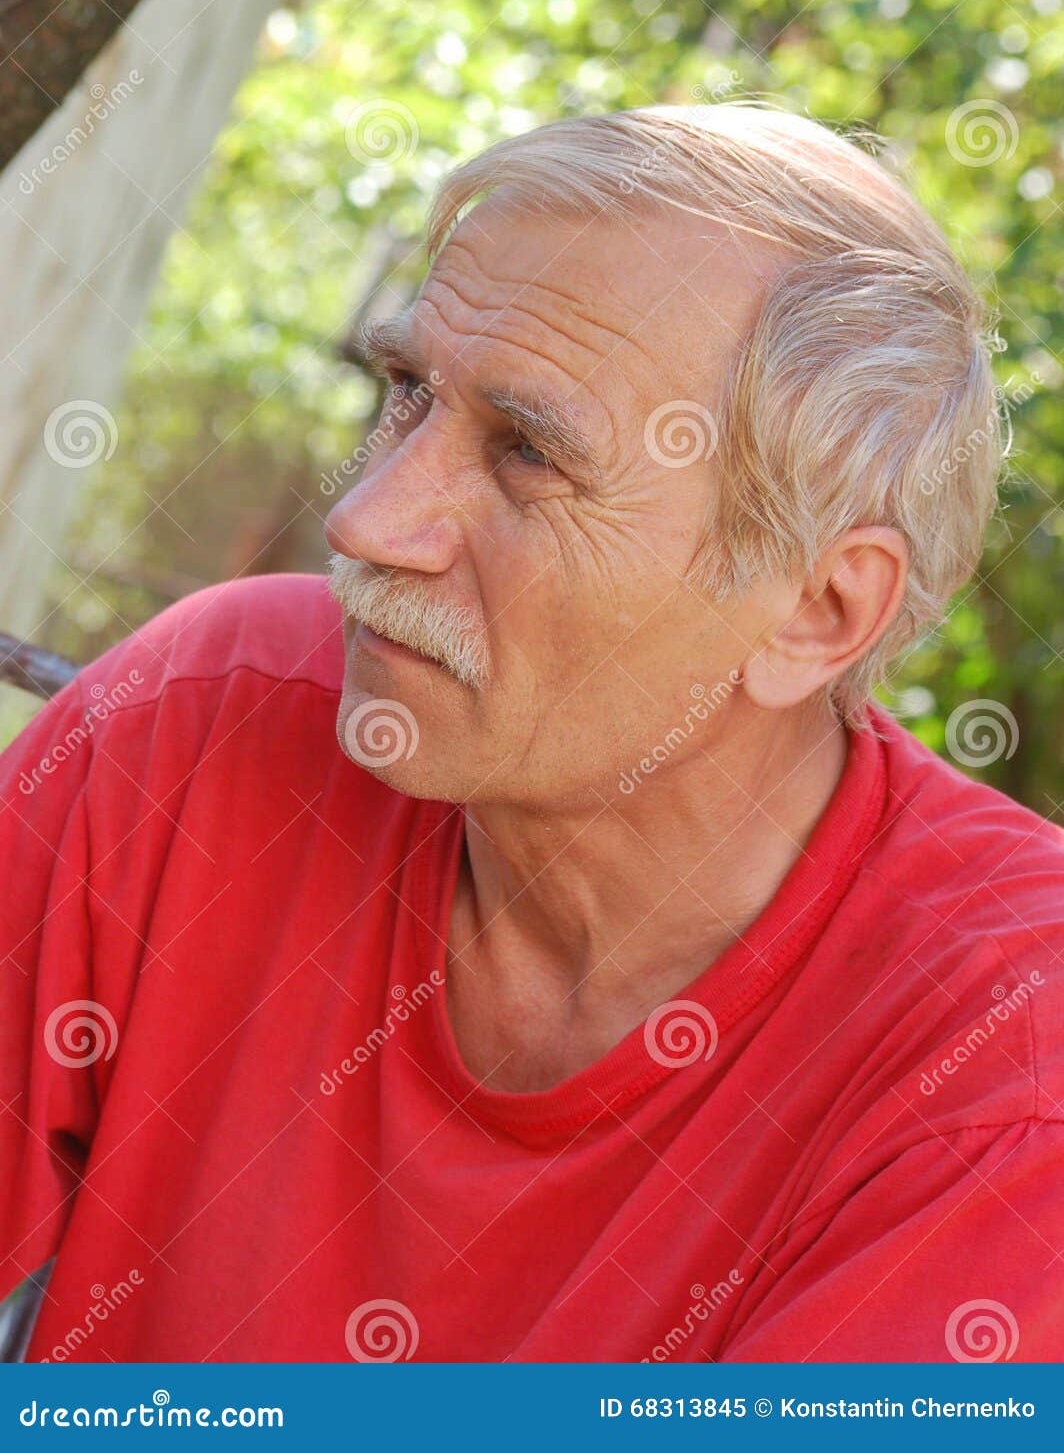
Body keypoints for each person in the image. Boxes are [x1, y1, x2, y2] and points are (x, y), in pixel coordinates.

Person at [1, 105, 1060, 1364]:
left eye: (527, 457)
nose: (367, 522)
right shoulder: (211, 711)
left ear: (817, 611)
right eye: (406, 392)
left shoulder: (1006, 1061)